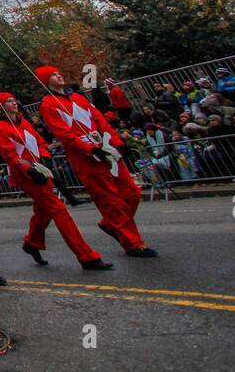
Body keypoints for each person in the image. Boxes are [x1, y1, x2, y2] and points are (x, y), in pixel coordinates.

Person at [36, 65, 157, 258]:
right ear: (45, 81)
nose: (58, 75)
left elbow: (99, 120)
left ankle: (110, 224)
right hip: (86, 158)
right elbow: (64, 134)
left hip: (107, 150)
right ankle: (132, 243)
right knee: (111, 201)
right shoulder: (47, 104)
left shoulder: (78, 98)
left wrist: (117, 142)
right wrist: (89, 149)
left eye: (58, 72)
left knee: (132, 192)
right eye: (52, 75)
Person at [0, 92, 113, 270]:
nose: (14, 103)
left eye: (13, 100)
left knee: (43, 210)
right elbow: (10, 156)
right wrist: (29, 170)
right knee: (59, 211)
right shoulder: (1, 128)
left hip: (41, 169)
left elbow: (40, 143)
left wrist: (46, 157)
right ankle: (86, 256)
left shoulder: (24, 122)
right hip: (28, 176)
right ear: (1, 107)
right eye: (8, 102)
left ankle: (32, 243)